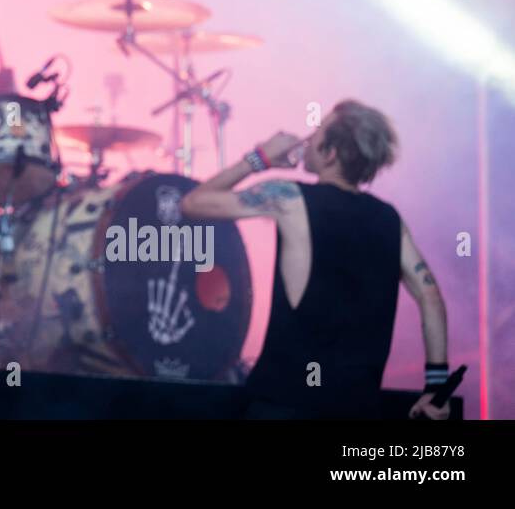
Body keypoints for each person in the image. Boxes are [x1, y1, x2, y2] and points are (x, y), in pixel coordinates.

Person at [181, 100, 451, 419]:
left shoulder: (289, 198)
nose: (306, 142)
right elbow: (430, 296)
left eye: (315, 135)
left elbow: (193, 203)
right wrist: (436, 389)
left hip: (285, 404)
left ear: (331, 153)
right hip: (357, 410)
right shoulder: (388, 219)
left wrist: (260, 158)